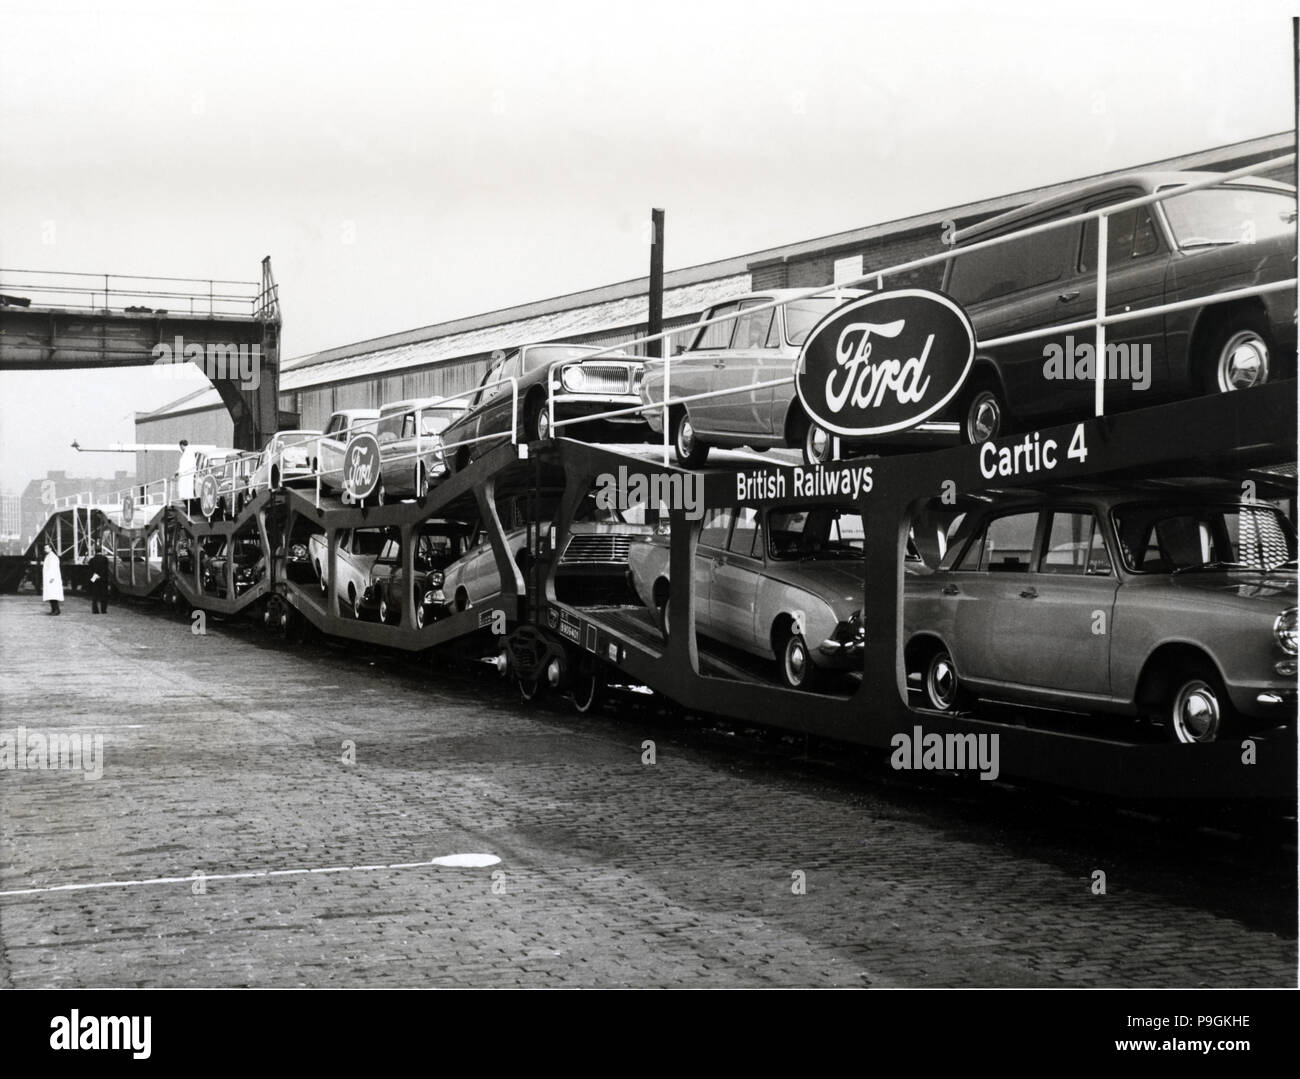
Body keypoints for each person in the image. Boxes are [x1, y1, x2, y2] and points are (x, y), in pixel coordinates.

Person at [42, 543, 64, 615]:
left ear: (50, 548)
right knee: (50, 595)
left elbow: (54, 569)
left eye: (47, 548)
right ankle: (53, 609)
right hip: (49, 579)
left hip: (52, 579)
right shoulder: (48, 556)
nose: (45, 549)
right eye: (45, 548)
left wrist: (52, 578)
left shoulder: (53, 557)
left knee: (53, 595)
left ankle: (56, 610)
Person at [89, 543, 111, 614]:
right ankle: (103, 610)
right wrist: (101, 575)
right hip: (103, 579)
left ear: (95, 551)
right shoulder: (105, 559)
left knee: (95, 595)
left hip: (95, 579)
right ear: (101, 551)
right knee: (103, 595)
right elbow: (106, 569)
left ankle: (95, 610)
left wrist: (95, 576)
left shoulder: (92, 560)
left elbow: (90, 570)